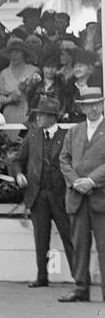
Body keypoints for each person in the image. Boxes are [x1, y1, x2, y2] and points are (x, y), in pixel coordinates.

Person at [9, 97, 74, 289]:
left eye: (42, 115)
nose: (37, 118)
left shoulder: (67, 135)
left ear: (52, 117)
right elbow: (16, 159)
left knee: (69, 236)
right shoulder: (33, 135)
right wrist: (19, 174)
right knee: (40, 238)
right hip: (37, 194)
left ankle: (80, 280)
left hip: (61, 195)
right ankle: (42, 277)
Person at [57, 87, 105, 303]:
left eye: (97, 103)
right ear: (83, 108)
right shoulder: (74, 131)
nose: (93, 108)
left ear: (102, 105)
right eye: (89, 105)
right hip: (77, 197)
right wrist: (76, 181)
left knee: (104, 245)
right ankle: (80, 288)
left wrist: (91, 180)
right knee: (79, 244)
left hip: (100, 196)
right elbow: (63, 159)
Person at [0, 37, 37, 126]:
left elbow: (39, 93)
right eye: (11, 53)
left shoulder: (34, 71)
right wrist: (9, 99)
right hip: (9, 114)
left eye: (17, 52)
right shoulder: (4, 73)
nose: (14, 55)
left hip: (29, 113)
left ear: (24, 54)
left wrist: (26, 91)